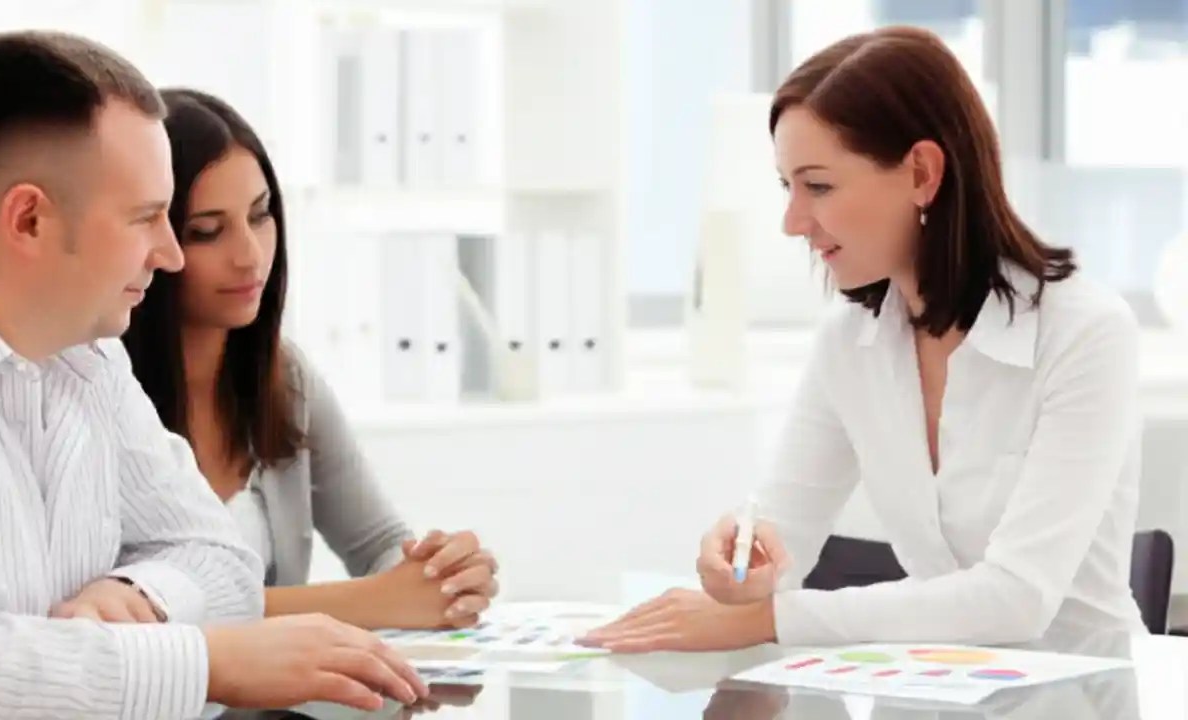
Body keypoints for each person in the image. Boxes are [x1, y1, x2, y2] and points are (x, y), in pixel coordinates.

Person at [0, 30, 426, 717]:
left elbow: (219, 554)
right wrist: (210, 663)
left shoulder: (88, 357)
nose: (170, 255)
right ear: (29, 219)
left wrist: (140, 596)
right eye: (147, 218)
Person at [581, 26, 1144, 652]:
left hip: (1084, 689)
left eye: (818, 186)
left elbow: (1016, 599)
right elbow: (783, 536)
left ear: (922, 173)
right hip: (939, 684)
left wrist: (769, 619)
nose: (793, 222)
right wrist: (744, 561)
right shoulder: (849, 342)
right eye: (788, 187)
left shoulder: (1086, 333)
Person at [121, 88, 500, 630]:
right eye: (206, 232)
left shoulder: (285, 377)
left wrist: (442, 577)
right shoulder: (97, 392)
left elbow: (379, 544)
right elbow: (145, 617)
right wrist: (377, 600)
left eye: (260, 216)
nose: (249, 255)